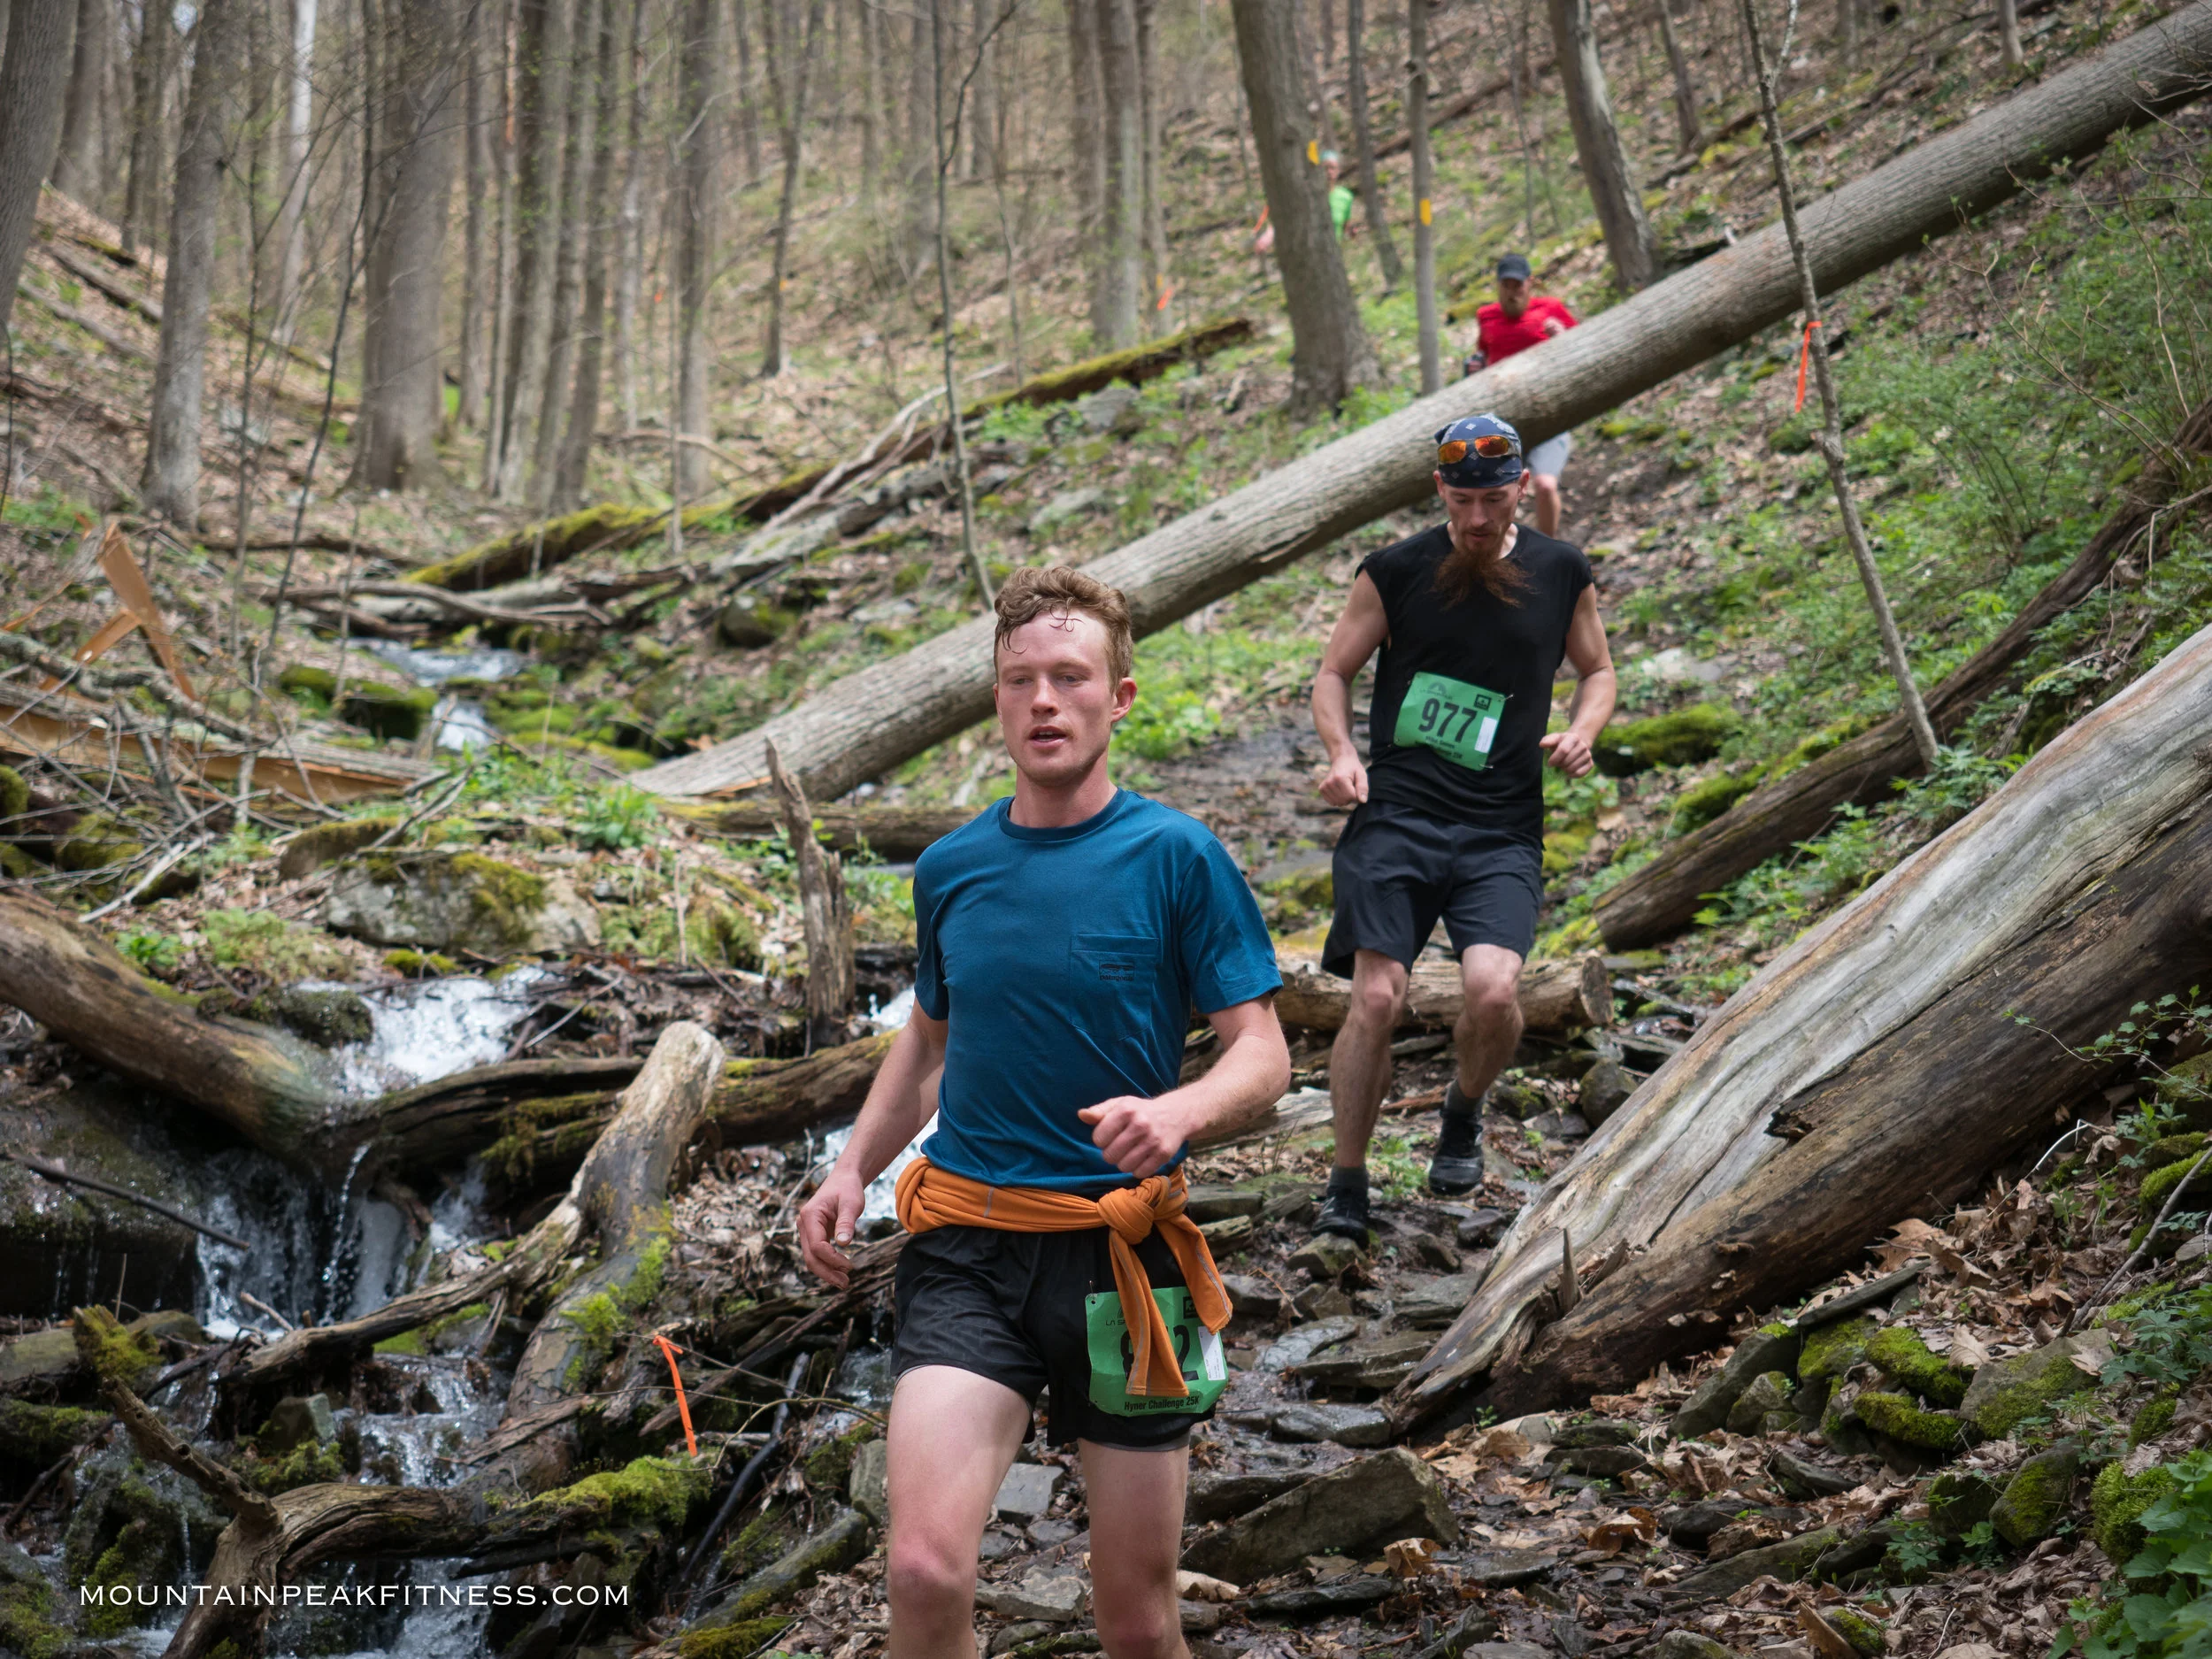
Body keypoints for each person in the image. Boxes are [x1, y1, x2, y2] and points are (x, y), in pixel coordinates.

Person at [799, 565, 1291, 1659]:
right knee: (924, 1568)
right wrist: (850, 1171)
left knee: (1137, 1620)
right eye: (1020, 680)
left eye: (1069, 678)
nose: (1043, 701)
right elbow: (928, 1042)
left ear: (1118, 697)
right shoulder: (954, 867)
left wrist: (1179, 1113)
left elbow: (1259, 1050)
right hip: (968, 1245)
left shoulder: (1177, 858)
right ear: (996, 699)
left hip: (1125, 1256)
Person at [1305, 414, 1616, 1240]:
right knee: (1377, 994)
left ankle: (1463, 1106)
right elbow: (1334, 672)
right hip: (1398, 813)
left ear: (1522, 486)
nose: (1479, 519)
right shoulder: (1395, 570)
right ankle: (1347, 1179)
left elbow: (1599, 669)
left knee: (1493, 990)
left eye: (1494, 498)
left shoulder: (1561, 571)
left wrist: (1584, 730)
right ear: (1439, 489)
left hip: (1501, 825)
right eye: (1462, 499)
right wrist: (1341, 753)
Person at [1463, 254, 1579, 537]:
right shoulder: (1486, 316)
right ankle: (1498, 552)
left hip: (1548, 413)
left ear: (1530, 284)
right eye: (1507, 285)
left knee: (1546, 485)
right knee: (1492, 490)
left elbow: (1582, 347)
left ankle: (1549, 550)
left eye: (1518, 285)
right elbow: (1484, 357)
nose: (1513, 291)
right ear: (1498, 287)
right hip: (1504, 421)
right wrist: (1473, 367)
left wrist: (1562, 335)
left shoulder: (1550, 309)